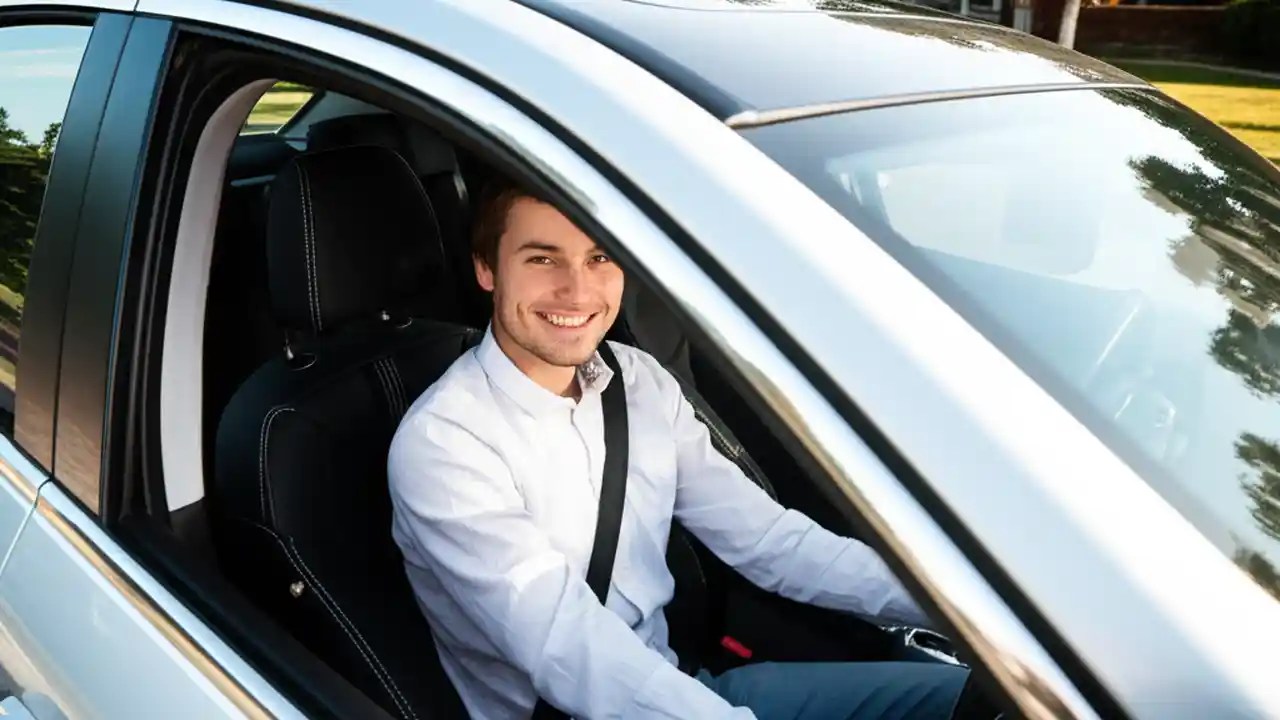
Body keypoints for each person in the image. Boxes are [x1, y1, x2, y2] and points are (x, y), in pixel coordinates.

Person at [387, 178, 969, 719]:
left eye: (600, 258)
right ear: (487, 269)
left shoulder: (637, 380)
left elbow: (768, 541)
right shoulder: (446, 444)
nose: (577, 289)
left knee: (978, 700)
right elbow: (571, 650)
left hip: (688, 691)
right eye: (542, 259)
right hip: (591, 710)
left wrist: (964, 610)